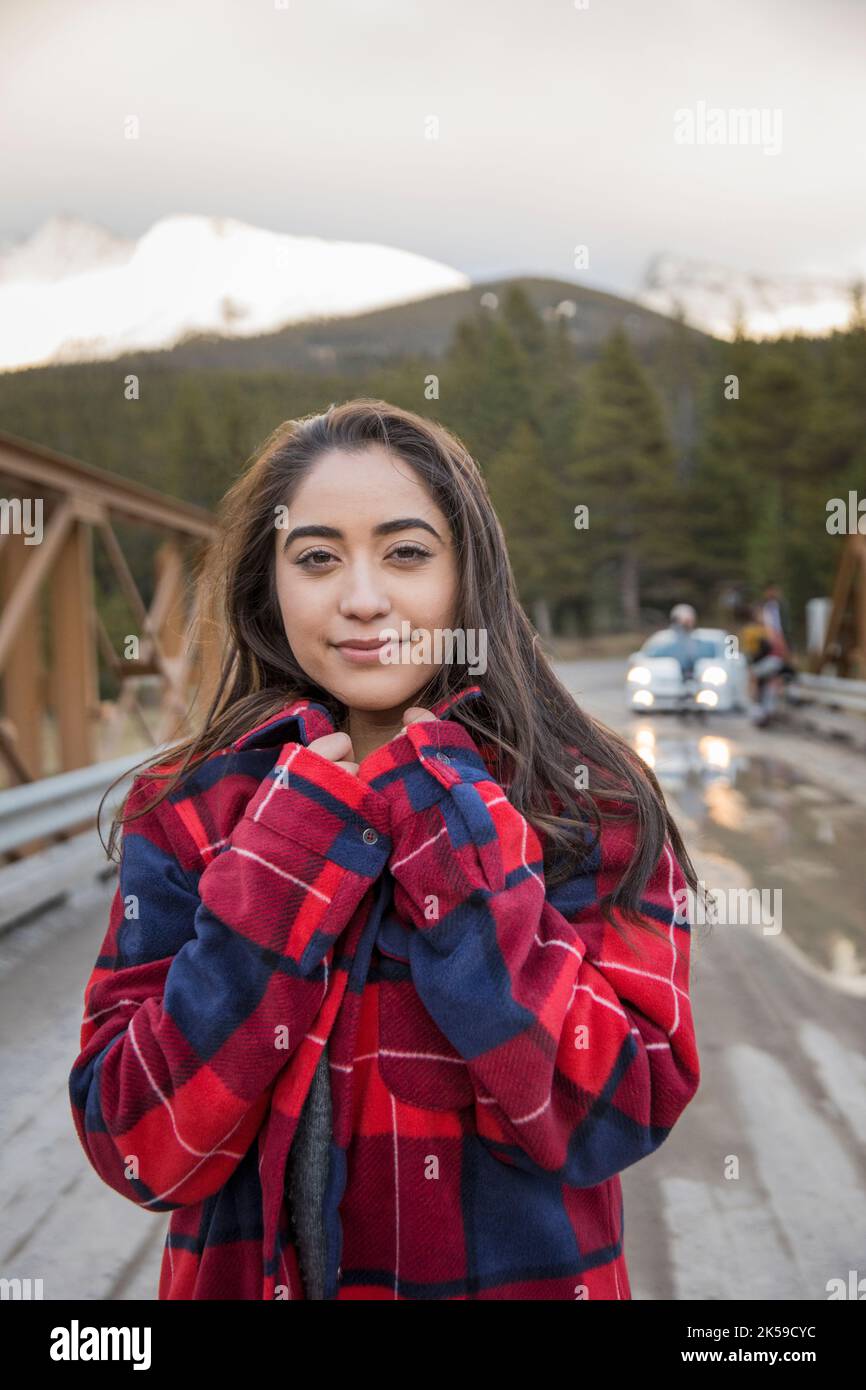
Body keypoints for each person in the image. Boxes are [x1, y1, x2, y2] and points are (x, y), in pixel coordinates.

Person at [68, 400, 701, 1301]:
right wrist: (282, 867)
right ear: (269, 583)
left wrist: (455, 835)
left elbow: (617, 1113)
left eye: (406, 553)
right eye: (317, 558)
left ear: (466, 573)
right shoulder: (189, 811)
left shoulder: (586, 802)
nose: (362, 599)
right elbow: (138, 1149)